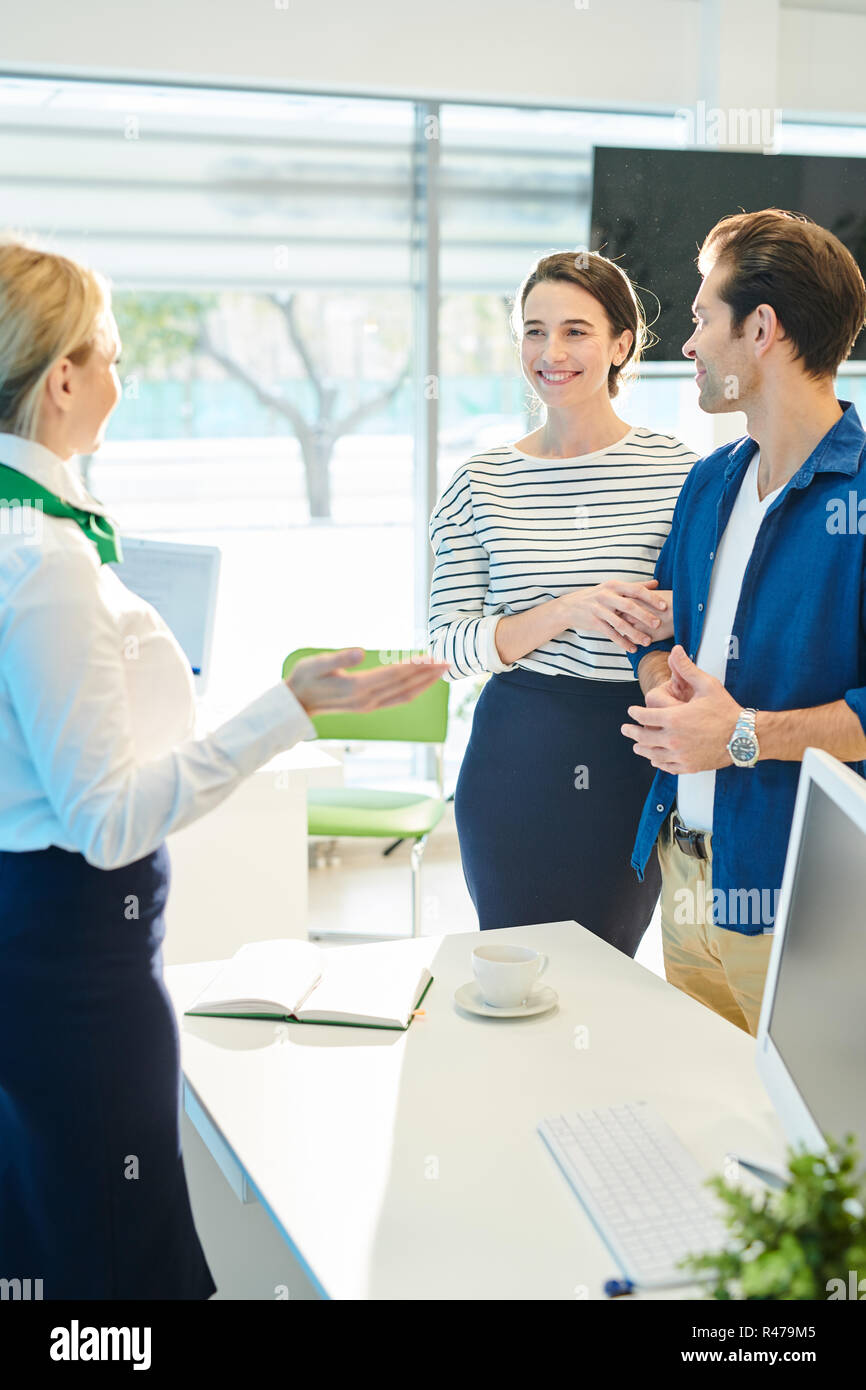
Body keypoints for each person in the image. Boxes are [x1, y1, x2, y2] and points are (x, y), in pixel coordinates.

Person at [0, 237, 447, 1299]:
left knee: (52, 1238)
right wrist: (290, 710)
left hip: (35, 938)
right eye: (110, 354)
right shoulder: (45, 560)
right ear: (62, 377)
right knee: (123, 1253)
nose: (122, 376)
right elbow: (107, 820)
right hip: (75, 960)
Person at [622, 209, 866, 1036]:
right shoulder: (711, 482)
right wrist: (663, 686)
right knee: (707, 1140)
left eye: (699, 319)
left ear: (761, 329)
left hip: (804, 901)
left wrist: (741, 735)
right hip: (684, 879)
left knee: (806, 1152)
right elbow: (660, 636)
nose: (687, 345)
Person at [428, 251, 698, 952]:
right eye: (534, 330)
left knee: (603, 968)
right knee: (513, 967)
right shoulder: (479, 483)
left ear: (620, 345)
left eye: (576, 331)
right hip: (516, 748)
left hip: (633, 750)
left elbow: (709, 614)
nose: (551, 352)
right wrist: (566, 610)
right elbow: (448, 644)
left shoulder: (682, 472)